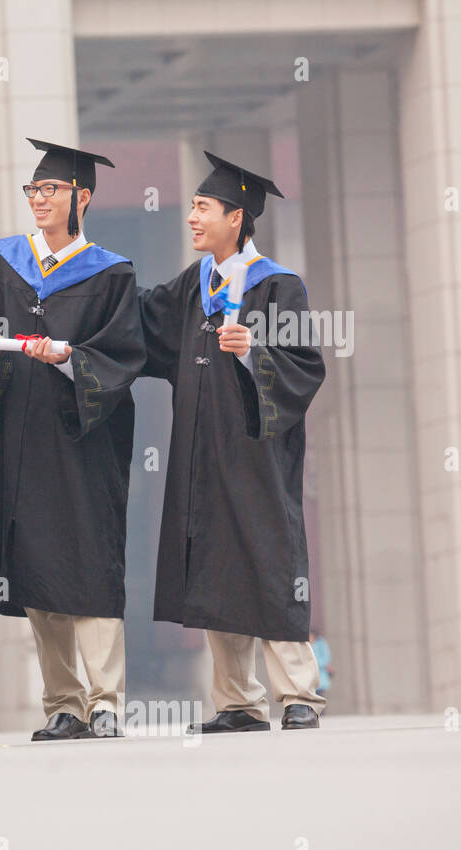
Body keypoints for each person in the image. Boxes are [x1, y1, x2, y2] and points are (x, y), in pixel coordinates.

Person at [0, 140, 144, 742]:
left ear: (81, 197)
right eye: (33, 191)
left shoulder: (112, 273)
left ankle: (106, 701)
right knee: (36, 567)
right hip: (22, 438)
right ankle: (63, 703)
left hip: (84, 439)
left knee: (90, 563)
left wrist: (69, 359)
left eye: (51, 191)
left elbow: (123, 357)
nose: (38, 200)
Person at [137, 151, 327, 732]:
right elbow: (139, 324)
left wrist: (253, 351)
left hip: (256, 452)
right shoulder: (192, 289)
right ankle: (238, 702)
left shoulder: (277, 287)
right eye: (192, 207)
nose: (191, 218)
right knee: (214, 565)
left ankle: (298, 692)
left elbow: (306, 366)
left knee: (270, 561)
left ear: (237, 217)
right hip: (200, 454)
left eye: (203, 208)